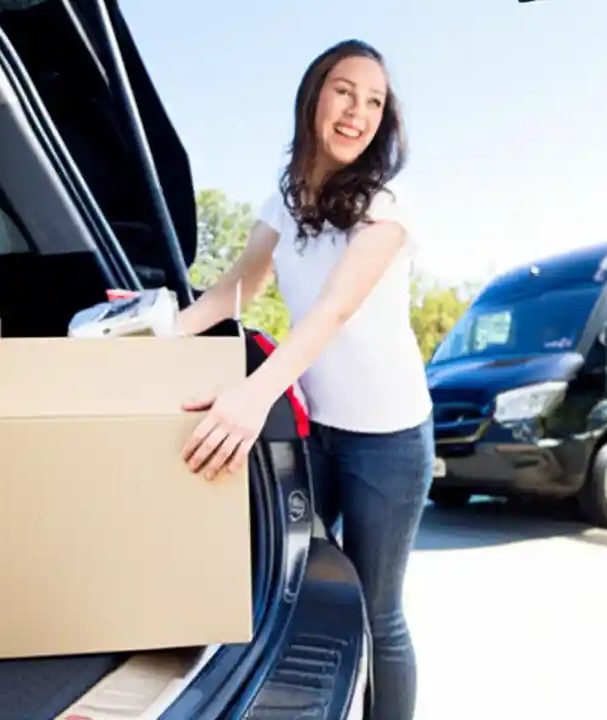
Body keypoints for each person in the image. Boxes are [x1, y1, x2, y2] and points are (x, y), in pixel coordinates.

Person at [175, 38, 433, 720]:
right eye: (345, 91)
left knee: (379, 612)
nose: (358, 111)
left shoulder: (386, 206)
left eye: (374, 101)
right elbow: (234, 290)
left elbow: (333, 312)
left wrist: (254, 396)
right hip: (321, 431)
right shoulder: (281, 203)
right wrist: (149, 329)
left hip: (390, 439)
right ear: (315, 94)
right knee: (300, 590)